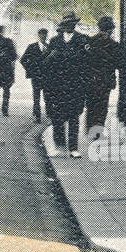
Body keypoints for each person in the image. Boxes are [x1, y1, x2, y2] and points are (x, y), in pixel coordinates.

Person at [42, 10, 90, 157]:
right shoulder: (54, 41)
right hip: (58, 85)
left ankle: (74, 148)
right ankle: (59, 146)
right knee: (57, 117)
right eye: (66, 24)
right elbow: (46, 63)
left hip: (76, 85)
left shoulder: (83, 40)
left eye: (72, 24)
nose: (69, 26)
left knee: (74, 116)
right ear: (63, 25)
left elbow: (87, 63)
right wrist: (52, 56)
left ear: (75, 24)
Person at [86, 16, 124, 139]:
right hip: (105, 80)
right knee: (102, 105)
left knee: (91, 104)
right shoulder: (113, 44)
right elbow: (119, 63)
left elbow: (84, 61)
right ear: (111, 29)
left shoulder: (90, 42)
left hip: (91, 79)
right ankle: (98, 129)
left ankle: (90, 127)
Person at [20, 27, 50, 122]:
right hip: (36, 76)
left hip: (47, 77)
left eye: (45, 35)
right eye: (41, 35)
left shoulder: (49, 47)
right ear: (38, 36)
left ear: (46, 36)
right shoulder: (32, 47)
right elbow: (23, 60)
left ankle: (49, 116)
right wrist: (30, 70)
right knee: (36, 97)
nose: (43, 37)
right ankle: (37, 117)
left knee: (47, 97)